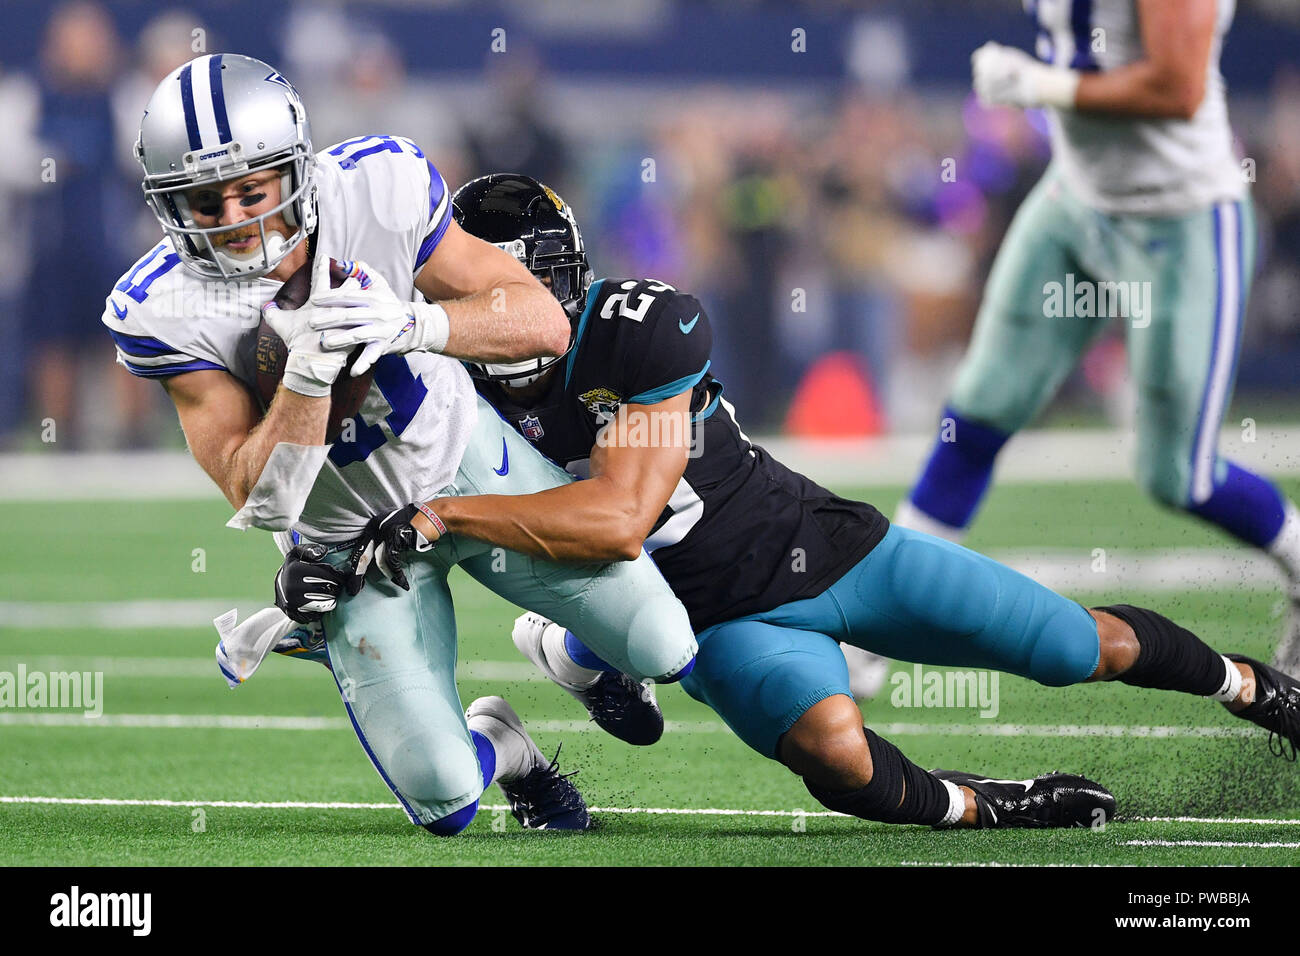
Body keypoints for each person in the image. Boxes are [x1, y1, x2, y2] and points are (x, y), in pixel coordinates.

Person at [275, 173, 1300, 832]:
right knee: (837, 756)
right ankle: (993, 804)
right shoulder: (436, 390)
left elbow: (620, 516)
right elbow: (332, 471)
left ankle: (1255, 687)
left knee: (1076, 645)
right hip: (712, 624)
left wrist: (444, 516)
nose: (500, 313)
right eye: (474, 293)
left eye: (516, 288)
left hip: (821, 543)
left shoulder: (637, 328)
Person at [101, 54, 698, 835]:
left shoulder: (375, 186)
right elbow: (260, 493)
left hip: (462, 458)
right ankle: (508, 752)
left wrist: (415, 323)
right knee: (448, 802)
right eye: (207, 202)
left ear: (298, 169)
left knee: (665, 645)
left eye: (254, 189)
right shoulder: (162, 308)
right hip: (351, 542)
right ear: (169, 205)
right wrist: (309, 377)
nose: (239, 220)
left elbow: (540, 322)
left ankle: (573, 654)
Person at [894, 0, 1300, 675]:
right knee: (976, 414)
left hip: (1180, 216)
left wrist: (1040, 86)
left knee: (1179, 476)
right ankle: (879, 627)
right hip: (1078, 198)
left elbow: (1177, 86)